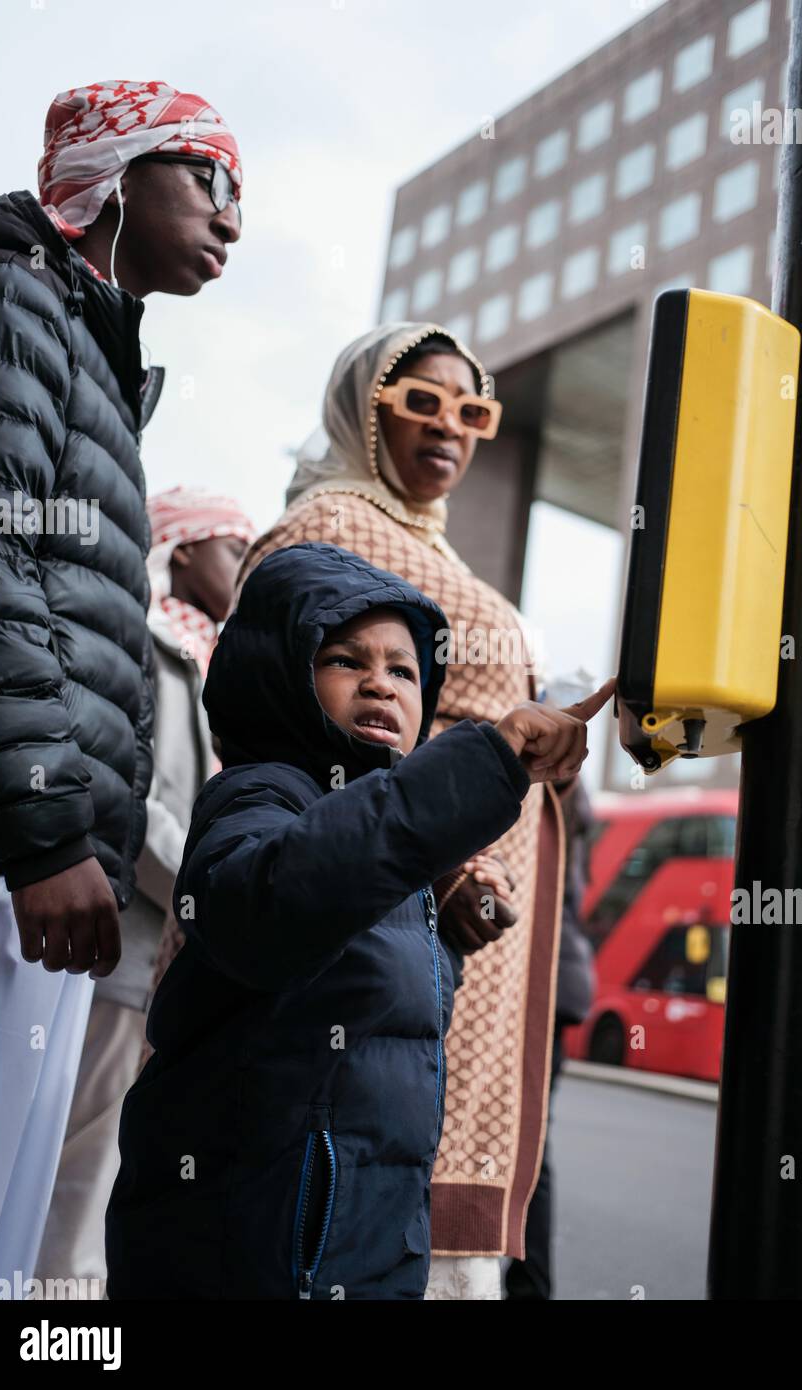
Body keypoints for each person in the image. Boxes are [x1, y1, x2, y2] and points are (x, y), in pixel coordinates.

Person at [104, 541, 616, 1299]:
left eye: (404, 671)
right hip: (251, 1252)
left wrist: (449, 919)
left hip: (369, 1247)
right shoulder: (257, 796)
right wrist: (487, 762)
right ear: (283, 677)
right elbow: (276, 904)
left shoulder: (392, 842)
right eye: (346, 660)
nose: (380, 683)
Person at [0, 79, 242, 1300]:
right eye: (209, 178)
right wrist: (42, 837)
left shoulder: (82, 339)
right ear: (114, 177)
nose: (234, 216)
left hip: (25, 864)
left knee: (13, 1240)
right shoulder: (9, 302)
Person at [239, 323, 568, 1299]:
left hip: (460, 929)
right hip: (398, 909)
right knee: (343, 1190)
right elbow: (308, 744)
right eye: (417, 400)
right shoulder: (328, 527)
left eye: (471, 410)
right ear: (360, 404)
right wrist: (453, 865)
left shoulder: (433, 552)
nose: (449, 428)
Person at [33, 487, 255, 1294]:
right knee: (80, 1165)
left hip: (152, 946)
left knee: (95, 1157)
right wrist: (211, 887)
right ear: (187, 549)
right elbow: (134, 797)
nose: (245, 569)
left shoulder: (205, 655)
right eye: (236, 548)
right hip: (124, 943)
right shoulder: (154, 644)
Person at [504, 772, 596, 1300]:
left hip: (539, 979)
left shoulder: (540, 795)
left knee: (528, 1138)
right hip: (561, 980)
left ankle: (530, 1285)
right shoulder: (572, 802)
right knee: (535, 1138)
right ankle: (531, 1285)